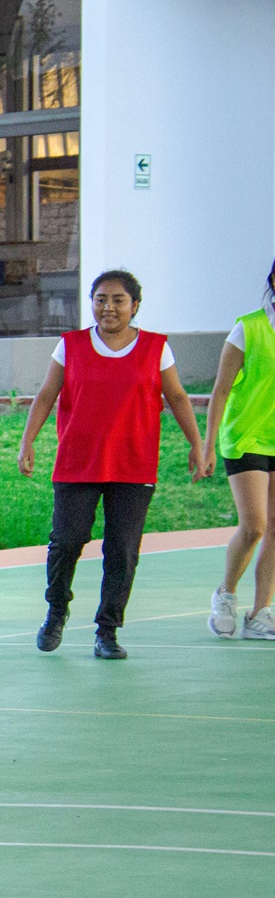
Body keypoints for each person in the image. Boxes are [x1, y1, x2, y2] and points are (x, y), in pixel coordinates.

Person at [18, 269, 206, 659]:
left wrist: (197, 445)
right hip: (78, 463)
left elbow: (178, 398)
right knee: (66, 542)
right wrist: (27, 442)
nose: (109, 307)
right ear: (91, 303)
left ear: (135, 306)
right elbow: (46, 395)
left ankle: (107, 630)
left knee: (122, 550)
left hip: (133, 466)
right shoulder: (70, 346)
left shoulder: (156, 348)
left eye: (118, 300)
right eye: (101, 299)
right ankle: (56, 610)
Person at [203, 258, 275, 639]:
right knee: (255, 525)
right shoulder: (249, 327)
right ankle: (226, 594)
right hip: (245, 435)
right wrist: (208, 443)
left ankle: (261, 613)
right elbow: (220, 390)